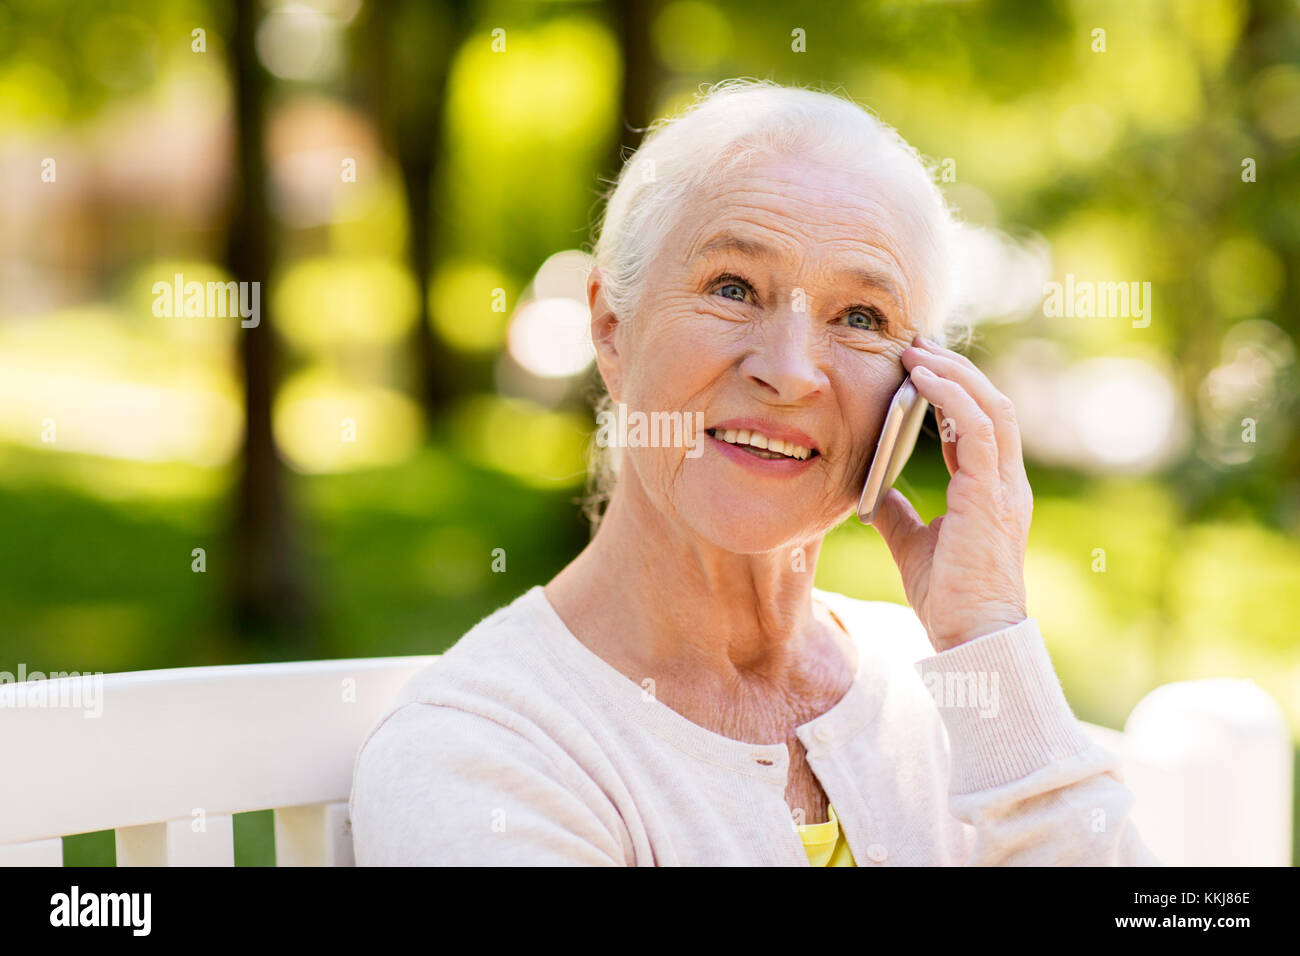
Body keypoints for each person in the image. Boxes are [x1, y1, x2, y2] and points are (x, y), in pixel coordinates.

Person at [349, 78, 1159, 866]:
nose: (792, 370)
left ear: (919, 392)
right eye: (733, 288)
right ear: (611, 329)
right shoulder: (481, 750)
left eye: (861, 317)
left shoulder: (959, 691)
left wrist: (986, 633)